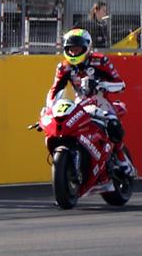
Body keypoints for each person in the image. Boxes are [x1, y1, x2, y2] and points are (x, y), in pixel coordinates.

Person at [49, 27, 132, 176]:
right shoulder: (64, 67)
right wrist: (50, 107)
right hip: (80, 103)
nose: (74, 53)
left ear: (87, 48)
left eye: (77, 49)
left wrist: (100, 84)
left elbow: (121, 84)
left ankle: (121, 158)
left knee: (112, 123)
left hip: (100, 100)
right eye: (71, 49)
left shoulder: (100, 60)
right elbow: (55, 90)